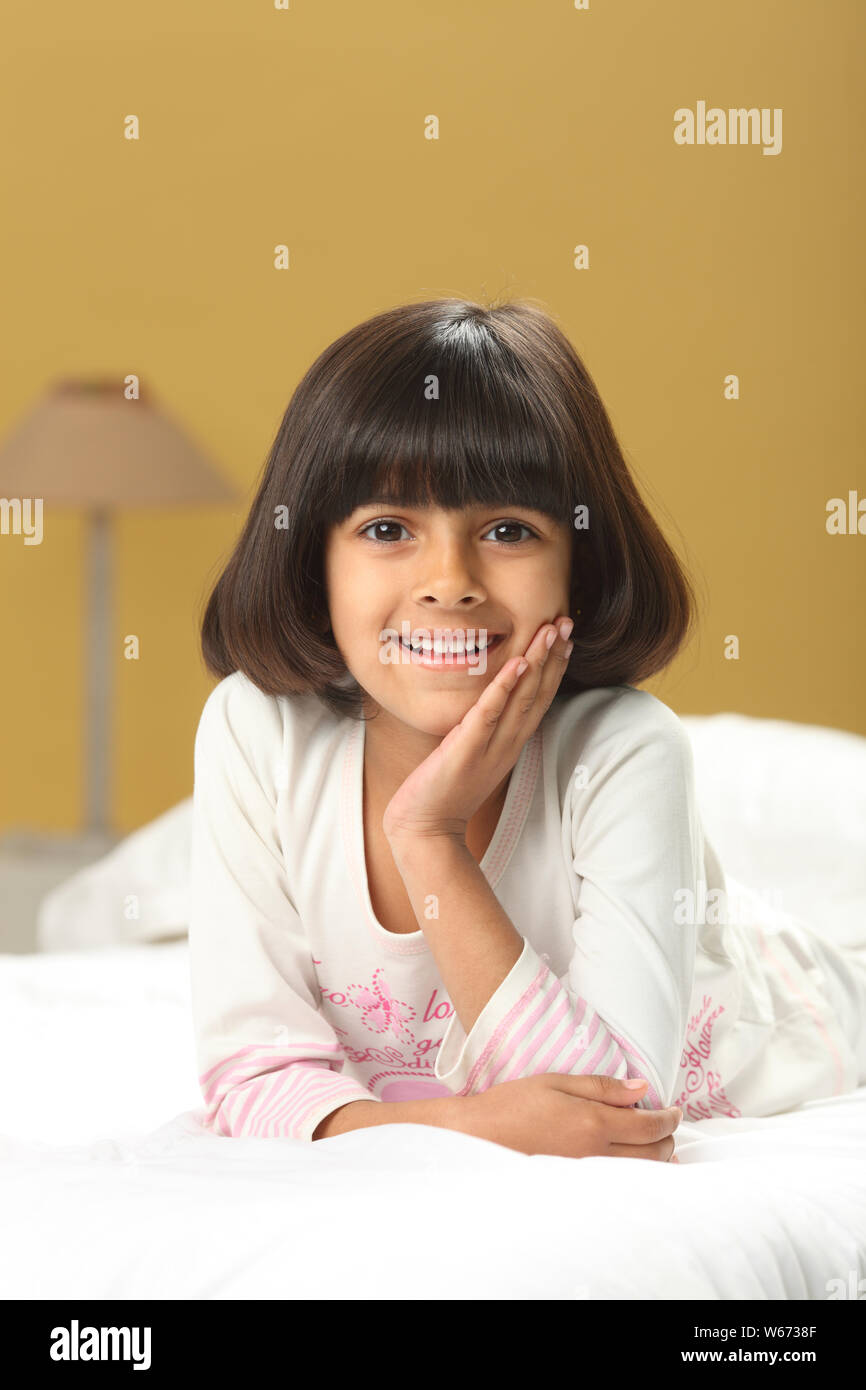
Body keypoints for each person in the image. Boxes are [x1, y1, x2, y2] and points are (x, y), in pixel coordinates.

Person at [188, 296, 866, 1160]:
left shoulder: (627, 750)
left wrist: (427, 836)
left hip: (791, 1009)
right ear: (312, 563)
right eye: (387, 529)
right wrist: (471, 1123)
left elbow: (615, 1121)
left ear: (579, 565)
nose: (450, 581)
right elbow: (252, 1077)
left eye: (508, 530)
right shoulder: (256, 731)